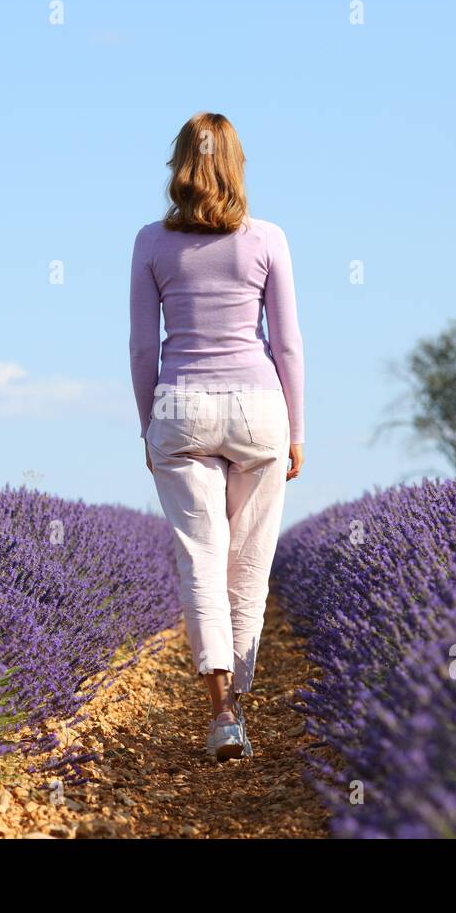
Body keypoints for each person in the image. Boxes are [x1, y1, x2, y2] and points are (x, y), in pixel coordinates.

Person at [128, 112, 305, 761]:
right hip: (261, 406)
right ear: (238, 165)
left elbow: (143, 345)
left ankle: (221, 710)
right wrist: (298, 430)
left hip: (182, 405)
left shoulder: (150, 241)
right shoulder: (267, 239)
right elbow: (286, 342)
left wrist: (147, 424)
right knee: (248, 564)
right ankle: (244, 701)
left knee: (200, 557)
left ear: (179, 165)